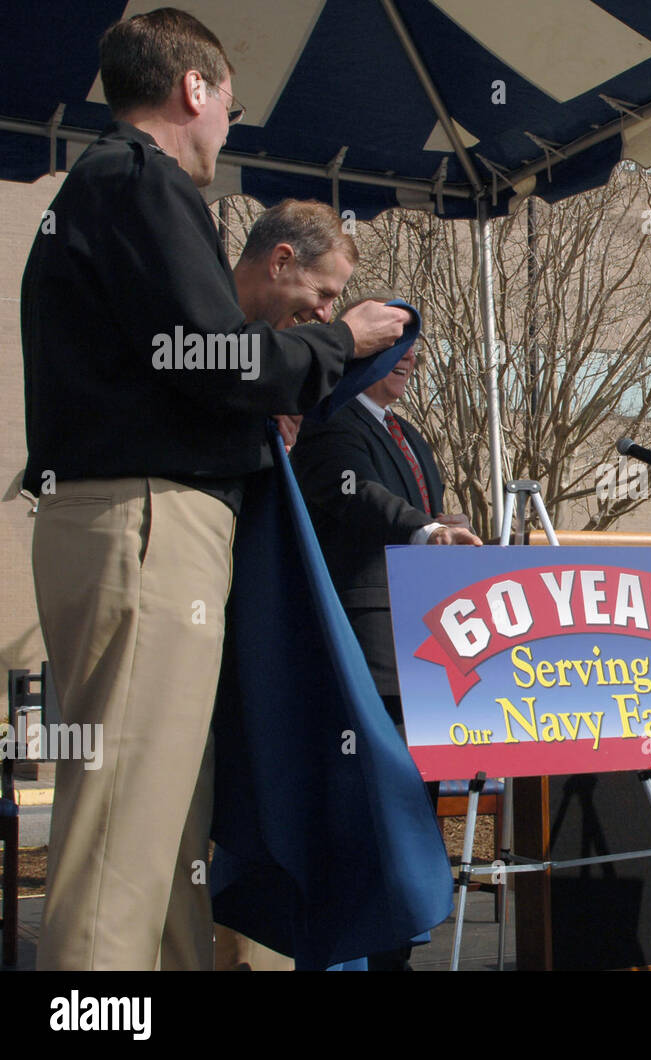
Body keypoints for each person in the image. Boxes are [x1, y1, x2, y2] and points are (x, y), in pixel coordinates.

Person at [21, 8, 410, 971]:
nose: (229, 128)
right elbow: (219, 360)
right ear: (194, 89)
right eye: (230, 106)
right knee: (124, 838)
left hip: (125, 522)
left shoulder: (104, 190)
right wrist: (340, 341)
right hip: (146, 524)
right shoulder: (142, 182)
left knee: (158, 832)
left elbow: (181, 364)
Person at [291, 295, 480, 968]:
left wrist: (444, 527)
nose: (408, 367)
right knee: (367, 815)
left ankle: (398, 942)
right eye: (399, 354)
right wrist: (422, 528)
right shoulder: (333, 424)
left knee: (411, 812)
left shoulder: (410, 435)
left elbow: (421, 508)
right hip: (371, 650)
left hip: (421, 648)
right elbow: (354, 495)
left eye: (416, 358)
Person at [213, 197, 365, 972]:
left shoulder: (265, 354)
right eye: (323, 294)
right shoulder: (205, 327)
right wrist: (345, 338)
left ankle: (257, 950)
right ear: (280, 262)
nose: (325, 313)